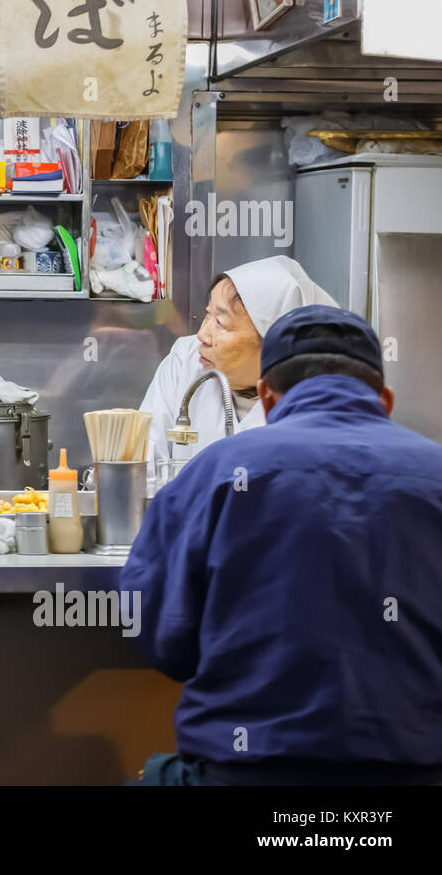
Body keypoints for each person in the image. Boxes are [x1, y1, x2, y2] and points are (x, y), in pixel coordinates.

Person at [122, 305, 442, 785]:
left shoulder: (215, 473)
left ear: (267, 399)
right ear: (385, 399)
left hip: (242, 775)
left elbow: (162, 638)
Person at [139, 256, 335, 473]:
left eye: (221, 323)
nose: (202, 335)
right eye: (208, 313)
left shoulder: (313, 405)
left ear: (273, 347)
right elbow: (145, 464)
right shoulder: (185, 360)